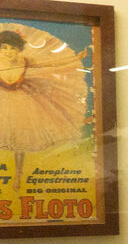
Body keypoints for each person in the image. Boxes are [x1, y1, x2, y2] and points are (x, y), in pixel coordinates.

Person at [0, 27, 88, 190]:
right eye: (4, 48)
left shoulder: (25, 61)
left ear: (19, 49)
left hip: (21, 100)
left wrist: (75, 59)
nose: (8, 52)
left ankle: (18, 175)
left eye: (12, 48)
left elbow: (51, 63)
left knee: (20, 140)